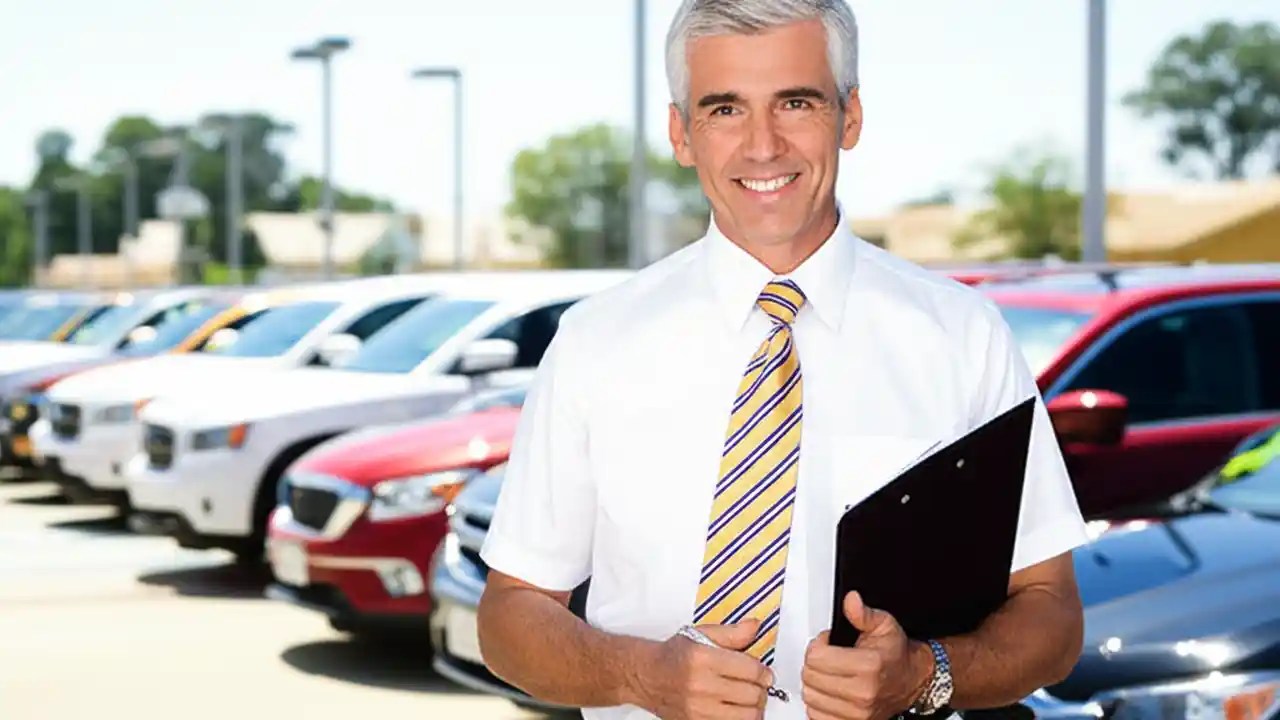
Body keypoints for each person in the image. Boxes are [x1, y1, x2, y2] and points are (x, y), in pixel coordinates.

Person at [475, 1, 1088, 718]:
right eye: (724, 110)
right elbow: (508, 618)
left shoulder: (962, 336)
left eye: (795, 103)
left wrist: (925, 673)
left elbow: (1053, 615)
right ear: (681, 133)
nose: (763, 146)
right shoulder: (594, 343)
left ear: (849, 117)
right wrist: (642, 676)